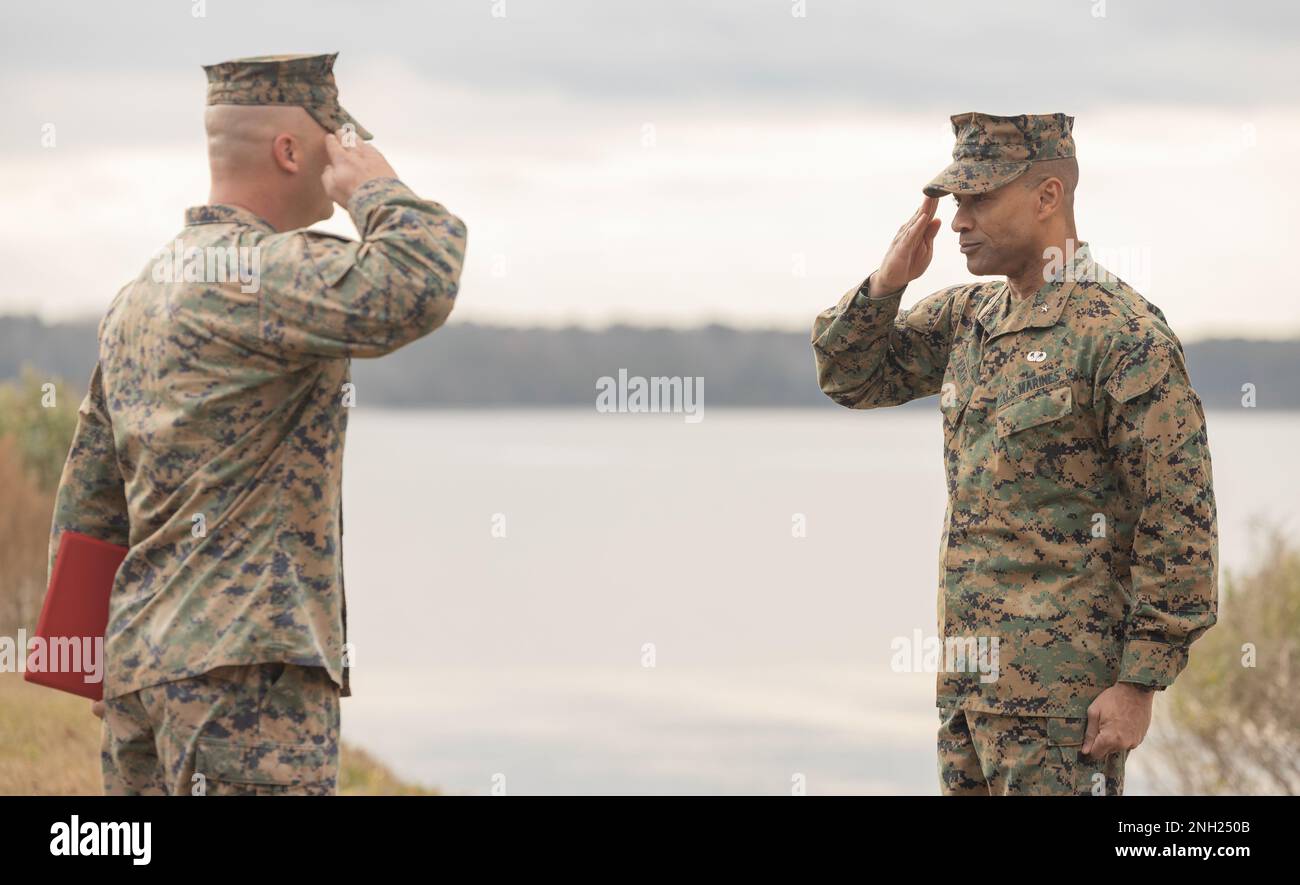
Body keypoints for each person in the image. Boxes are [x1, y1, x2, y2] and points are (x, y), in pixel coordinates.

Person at [49, 52, 468, 794]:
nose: (344, 151)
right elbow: (420, 277)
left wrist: (95, 666)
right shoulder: (265, 273)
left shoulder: (137, 297)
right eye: (334, 137)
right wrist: (375, 189)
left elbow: (90, 502)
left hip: (140, 680)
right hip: (246, 686)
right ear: (291, 151)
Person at [811, 112, 1217, 795]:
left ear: (1048, 196)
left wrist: (1139, 682)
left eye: (979, 198)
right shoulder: (970, 319)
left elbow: (1179, 518)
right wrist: (887, 284)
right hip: (967, 695)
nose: (960, 219)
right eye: (956, 200)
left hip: (1064, 710)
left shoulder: (1121, 334)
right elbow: (851, 375)